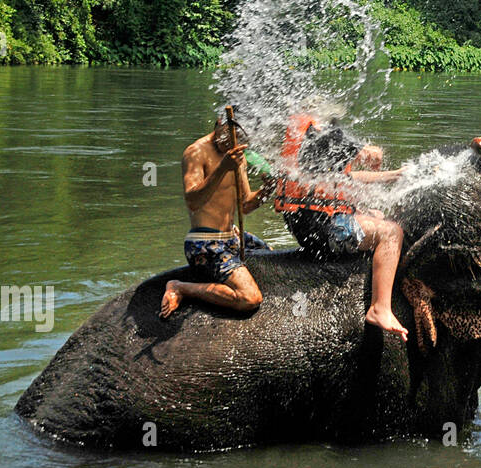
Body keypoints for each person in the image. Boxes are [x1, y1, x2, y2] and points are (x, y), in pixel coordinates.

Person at [272, 114, 409, 341]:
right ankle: (380, 308)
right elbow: (372, 155)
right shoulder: (323, 136)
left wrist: (393, 175)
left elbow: (347, 177)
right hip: (323, 231)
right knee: (391, 233)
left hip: (306, 224)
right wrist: (374, 158)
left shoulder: (306, 135)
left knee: (376, 215)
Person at [160, 115, 275, 319]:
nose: (234, 142)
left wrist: (269, 189)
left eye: (240, 138)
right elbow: (192, 200)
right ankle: (181, 287)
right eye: (231, 135)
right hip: (204, 242)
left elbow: (246, 205)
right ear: (221, 121)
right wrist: (223, 168)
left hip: (232, 236)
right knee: (250, 298)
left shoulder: (238, 155)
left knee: (273, 258)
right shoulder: (196, 152)